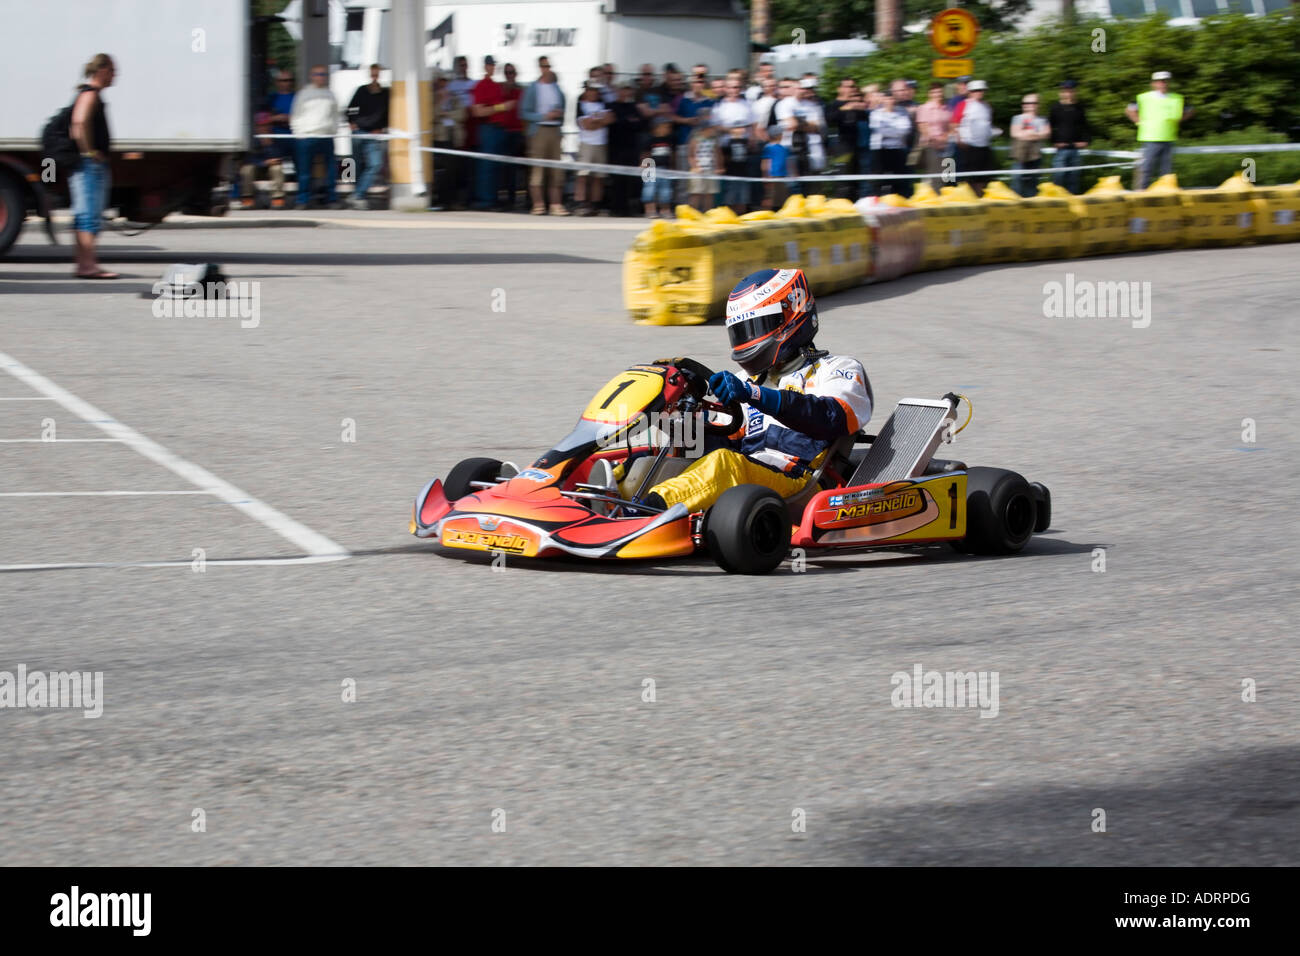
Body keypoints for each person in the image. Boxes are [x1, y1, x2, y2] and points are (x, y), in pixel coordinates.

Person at [634, 268, 872, 514]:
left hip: (799, 485)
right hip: (748, 479)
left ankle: (642, 515)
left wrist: (755, 395)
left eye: (756, 327)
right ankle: (607, 496)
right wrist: (676, 408)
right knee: (648, 455)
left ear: (791, 315)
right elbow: (722, 441)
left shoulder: (837, 368)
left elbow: (833, 417)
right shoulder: (745, 381)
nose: (748, 339)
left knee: (724, 465)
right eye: (741, 332)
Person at [68, 53, 117, 278]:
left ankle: (83, 265)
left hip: (86, 165)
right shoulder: (90, 94)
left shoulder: (87, 93)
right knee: (89, 216)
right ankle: (88, 266)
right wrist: (89, 153)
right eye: (112, 71)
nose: (115, 76)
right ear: (102, 71)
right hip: (90, 166)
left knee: (83, 216)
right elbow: (78, 123)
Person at [1126, 70, 1193, 190]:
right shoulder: (1143, 97)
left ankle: (1164, 192)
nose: (1163, 84)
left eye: (1166, 81)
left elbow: (1190, 110)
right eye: (1160, 81)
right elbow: (1129, 110)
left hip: (1169, 136)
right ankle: (1142, 192)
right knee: (1147, 168)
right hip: (1150, 136)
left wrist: (1180, 120)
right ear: (1154, 84)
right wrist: (1138, 122)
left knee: (1166, 170)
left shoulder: (1177, 98)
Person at [520, 55, 567, 215]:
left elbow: (564, 108)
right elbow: (524, 112)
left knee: (556, 169)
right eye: (544, 66)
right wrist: (543, 117)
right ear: (539, 67)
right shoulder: (533, 88)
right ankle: (538, 204)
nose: (546, 69)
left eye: (548, 66)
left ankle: (556, 204)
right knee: (537, 169)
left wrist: (558, 115)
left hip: (555, 130)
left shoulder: (557, 88)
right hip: (538, 130)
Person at [291, 64, 341, 208]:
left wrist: (334, 130)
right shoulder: (303, 94)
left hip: (326, 136)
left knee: (331, 170)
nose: (321, 77)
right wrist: (299, 133)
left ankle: (332, 199)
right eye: (318, 74)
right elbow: (295, 115)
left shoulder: (330, 94)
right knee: (304, 171)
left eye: (323, 74)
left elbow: (336, 115)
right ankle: (302, 200)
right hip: (307, 136)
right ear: (311, 76)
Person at [470, 56, 513, 210]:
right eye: (489, 65)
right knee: (486, 166)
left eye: (493, 65)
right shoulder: (482, 86)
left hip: (498, 129)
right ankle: (485, 200)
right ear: (485, 67)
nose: (492, 67)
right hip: (488, 128)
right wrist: (501, 108)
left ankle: (492, 198)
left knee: (494, 166)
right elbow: (478, 111)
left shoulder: (496, 86)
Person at [346, 63, 388, 209]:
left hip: (374, 134)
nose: (375, 76)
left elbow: (388, 113)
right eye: (373, 73)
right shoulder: (361, 90)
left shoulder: (386, 93)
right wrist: (351, 123)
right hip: (358, 132)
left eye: (377, 73)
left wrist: (382, 128)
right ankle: (353, 192)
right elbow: (350, 108)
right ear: (370, 74)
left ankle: (358, 194)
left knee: (375, 164)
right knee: (353, 163)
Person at [713, 75, 754, 212]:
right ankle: (728, 211)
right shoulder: (720, 106)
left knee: (742, 181)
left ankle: (741, 211)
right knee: (728, 182)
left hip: (743, 147)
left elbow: (753, 125)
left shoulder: (746, 105)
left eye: (736, 87)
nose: (734, 90)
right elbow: (715, 127)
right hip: (726, 147)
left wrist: (751, 140)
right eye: (731, 87)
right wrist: (732, 130)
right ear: (726, 88)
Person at [952, 79, 995, 196]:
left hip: (984, 146)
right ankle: (970, 199)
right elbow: (955, 124)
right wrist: (959, 139)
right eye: (976, 90)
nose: (979, 92)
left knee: (984, 177)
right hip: (969, 146)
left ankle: (980, 198)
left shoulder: (987, 106)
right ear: (970, 92)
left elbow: (988, 124)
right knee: (969, 177)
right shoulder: (963, 105)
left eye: (981, 90)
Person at [574, 80, 612, 215]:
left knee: (598, 177)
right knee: (583, 175)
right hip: (586, 143)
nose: (593, 92)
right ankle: (581, 203)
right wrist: (599, 120)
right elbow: (586, 125)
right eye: (590, 90)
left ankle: (595, 204)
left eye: (596, 90)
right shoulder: (580, 104)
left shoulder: (603, 103)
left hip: (601, 143)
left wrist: (595, 120)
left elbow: (609, 119)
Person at [607, 83, 644, 216]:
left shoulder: (633, 107)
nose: (626, 94)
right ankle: (616, 208)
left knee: (631, 179)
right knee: (617, 179)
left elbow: (640, 124)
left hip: (632, 148)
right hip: (616, 148)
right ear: (618, 91)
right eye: (623, 90)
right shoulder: (612, 106)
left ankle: (628, 208)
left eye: (628, 91)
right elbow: (616, 124)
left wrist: (627, 121)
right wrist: (629, 121)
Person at [1049, 80, 1091, 194]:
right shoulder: (1055, 108)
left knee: (1074, 177)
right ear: (1061, 93)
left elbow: (1085, 125)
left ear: (1074, 92)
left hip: (1075, 148)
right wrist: (1054, 141)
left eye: (1070, 91)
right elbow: (1050, 126)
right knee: (1058, 176)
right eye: (1065, 91)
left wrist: (1086, 141)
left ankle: (1073, 202)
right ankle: (1056, 200)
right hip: (1061, 148)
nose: (1068, 94)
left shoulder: (1079, 108)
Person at [236, 112, 285, 210]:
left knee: (277, 169)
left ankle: (277, 199)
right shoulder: (252, 140)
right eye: (261, 125)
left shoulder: (276, 138)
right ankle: (247, 198)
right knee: (246, 169)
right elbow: (249, 159)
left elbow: (279, 156)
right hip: (257, 167)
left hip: (271, 168)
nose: (264, 128)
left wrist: (269, 144)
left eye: (266, 125)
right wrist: (264, 162)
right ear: (256, 127)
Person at [869, 88, 912, 197]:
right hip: (879, 150)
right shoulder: (875, 114)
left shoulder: (902, 112)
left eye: (891, 98)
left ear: (894, 100)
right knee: (879, 180)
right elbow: (878, 129)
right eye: (887, 98)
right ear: (883, 100)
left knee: (898, 179)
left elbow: (905, 130)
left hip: (898, 149)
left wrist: (888, 130)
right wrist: (896, 130)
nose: (889, 101)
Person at [1009, 93, 1050, 197]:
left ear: (1037, 104)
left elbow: (1046, 134)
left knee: (1033, 183)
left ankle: (1030, 206)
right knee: (1017, 181)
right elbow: (1014, 133)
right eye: (1026, 103)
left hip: (1035, 156)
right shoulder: (1017, 118)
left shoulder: (1043, 119)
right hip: (1020, 156)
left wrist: (1027, 133)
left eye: (1033, 103)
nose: (1029, 105)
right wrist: (1035, 134)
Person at [499, 63, 526, 210]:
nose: (510, 75)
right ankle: (506, 198)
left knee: (515, 167)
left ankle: (514, 199)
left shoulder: (521, 91)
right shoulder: (501, 90)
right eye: (507, 73)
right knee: (504, 167)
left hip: (517, 132)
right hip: (504, 131)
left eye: (512, 73)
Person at [914, 82, 952, 188]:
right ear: (930, 94)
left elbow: (950, 126)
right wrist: (933, 139)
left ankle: (944, 195)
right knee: (934, 174)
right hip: (930, 145)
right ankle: (930, 195)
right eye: (934, 92)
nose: (937, 94)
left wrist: (946, 137)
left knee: (948, 174)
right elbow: (922, 127)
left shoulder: (946, 108)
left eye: (939, 91)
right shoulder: (924, 108)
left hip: (945, 145)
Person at [687, 109, 721, 211]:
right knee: (696, 192)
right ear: (704, 130)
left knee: (709, 193)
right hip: (698, 170)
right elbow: (691, 155)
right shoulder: (695, 140)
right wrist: (695, 167)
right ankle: (693, 212)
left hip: (710, 169)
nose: (713, 131)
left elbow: (717, 154)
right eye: (711, 129)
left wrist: (719, 167)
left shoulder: (713, 140)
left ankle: (708, 212)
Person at [641, 118, 675, 218]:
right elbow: (644, 154)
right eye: (665, 127)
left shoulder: (669, 140)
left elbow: (671, 154)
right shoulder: (649, 140)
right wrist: (644, 165)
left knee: (666, 190)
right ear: (656, 128)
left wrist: (672, 167)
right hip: (650, 168)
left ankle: (665, 210)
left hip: (665, 168)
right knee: (649, 190)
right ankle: (650, 210)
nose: (668, 129)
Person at [760, 131, 789, 211]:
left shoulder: (783, 148)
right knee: (770, 198)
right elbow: (765, 162)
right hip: (772, 176)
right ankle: (766, 214)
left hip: (782, 176)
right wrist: (765, 175)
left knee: (782, 199)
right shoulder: (768, 147)